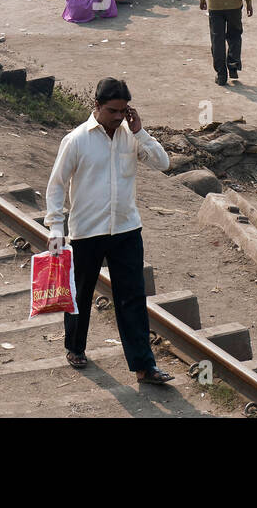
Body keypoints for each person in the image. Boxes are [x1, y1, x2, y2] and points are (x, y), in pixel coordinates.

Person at [44, 78, 174, 385]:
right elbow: (56, 185)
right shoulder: (76, 140)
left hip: (127, 229)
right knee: (81, 294)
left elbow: (163, 164)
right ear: (97, 107)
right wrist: (56, 229)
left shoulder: (132, 137)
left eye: (124, 110)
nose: (119, 116)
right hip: (87, 232)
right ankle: (75, 347)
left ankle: (144, 367)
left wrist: (140, 131)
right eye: (113, 110)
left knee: (132, 298)